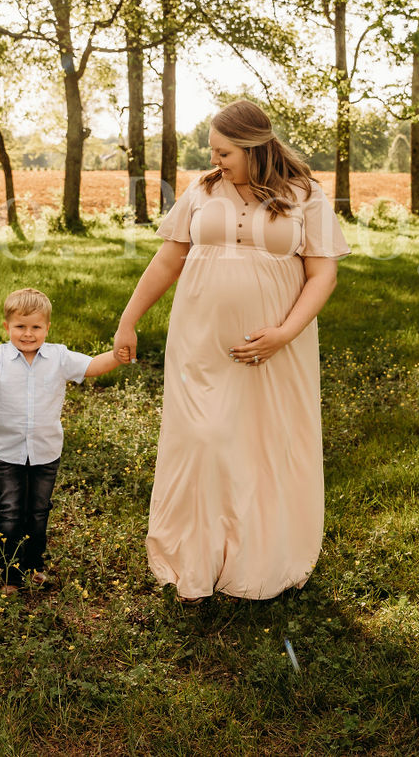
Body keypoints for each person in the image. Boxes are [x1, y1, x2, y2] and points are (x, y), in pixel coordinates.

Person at [112, 100, 349, 603]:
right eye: (214, 151)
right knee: (204, 437)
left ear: (254, 146)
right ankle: (196, 556)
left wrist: (285, 333)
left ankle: (256, 558)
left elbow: (323, 272)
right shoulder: (203, 191)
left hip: (277, 345)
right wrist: (129, 319)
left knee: (262, 443)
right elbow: (167, 259)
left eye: (225, 152)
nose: (215, 159)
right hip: (199, 339)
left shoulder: (303, 193)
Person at [0, 287, 121, 592]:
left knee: (38, 513)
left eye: (36, 327)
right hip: (7, 453)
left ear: (47, 328)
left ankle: (35, 565)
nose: (28, 334)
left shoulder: (59, 357)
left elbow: (91, 367)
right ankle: (11, 575)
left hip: (46, 452)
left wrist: (118, 355)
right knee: (10, 514)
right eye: (20, 327)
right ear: (6, 327)